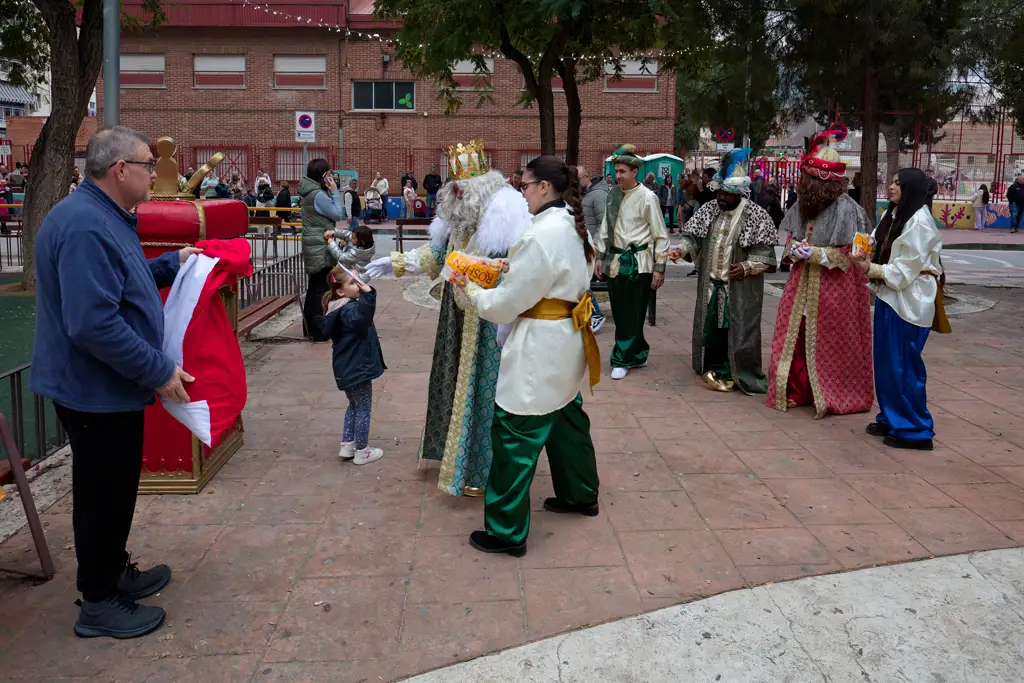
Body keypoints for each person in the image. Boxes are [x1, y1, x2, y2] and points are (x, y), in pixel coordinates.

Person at [30, 126, 200, 639]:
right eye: (149, 163)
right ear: (120, 169)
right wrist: (158, 370)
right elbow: (93, 323)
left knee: (115, 487)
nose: (156, 172)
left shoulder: (102, 215)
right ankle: (99, 599)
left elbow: (122, 279)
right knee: (103, 493)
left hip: (105, 389)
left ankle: (111, 571)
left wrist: (172, 264)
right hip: (92, 390)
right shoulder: (85, 225)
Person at [366, 140, 532, 497]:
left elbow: (515, 270)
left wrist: (481, 277)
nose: (457, 193)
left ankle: (482, 468)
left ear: (482, 189)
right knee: (453, 382)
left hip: (488, 318)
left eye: (463, 188)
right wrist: (396, 262)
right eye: (453, 187)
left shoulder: (507, 219)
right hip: (455, 314)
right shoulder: (457, 216)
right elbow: (437, 252)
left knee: (484, 391)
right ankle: (454, 456)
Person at [458, 155, 600, 557]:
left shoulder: (539, 235)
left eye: (524, 185)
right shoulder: (569, 225)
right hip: (567, 340)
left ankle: (506, 531)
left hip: (541, 345)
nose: (521, 193)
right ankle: (579, 494)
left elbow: (508, 303)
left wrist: (474, 291)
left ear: (542, 187)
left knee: (515, 434)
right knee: (566, 419)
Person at [766, 131, 874, 417]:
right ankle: (796, 389)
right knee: (796, 334)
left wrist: (818, 254)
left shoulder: (852, 211)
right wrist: (794, 250)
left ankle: (826, 392)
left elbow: (861, 255)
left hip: (836, 288)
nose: (811, 188)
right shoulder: (802, 205)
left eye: (816, 182)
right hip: (801, 283)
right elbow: (791, 241)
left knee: (830, 340)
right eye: (809, 181)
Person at [852, 168, 948, 450]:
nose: (892, 187)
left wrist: (870, 267)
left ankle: (915, 430)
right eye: (892, 182)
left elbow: (905, 271)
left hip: (910, 301)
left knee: (903, 364)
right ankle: (892, 416)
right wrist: (864, 247)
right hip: (890, 297)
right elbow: (875, 239)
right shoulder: (894, 213)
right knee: (886, 362)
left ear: (911, 188)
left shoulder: (919, 222)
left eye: (898, 183)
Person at [671, 148, 777, 393]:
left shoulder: (756, 216)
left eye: (727, 194)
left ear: (740, 194)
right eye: (719, 191)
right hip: (710, 284)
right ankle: (714, 368)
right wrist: (681, 249)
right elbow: (692, 237)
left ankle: (739, 372)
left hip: (739, 288)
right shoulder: (708, 210)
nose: (721, 197)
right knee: (713, 328)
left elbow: (766, 254)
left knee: (739, 329)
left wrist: (747, 266)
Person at [593, 145, 670, 380]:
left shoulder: (648, 197)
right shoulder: (613, 195)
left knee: (632, 313)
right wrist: (600, 255)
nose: (618, 176)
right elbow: (606, 227)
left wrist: (659, 268)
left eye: (623, 171)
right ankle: (637, 353)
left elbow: (660, 235)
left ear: (634, 171)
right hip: (616, 261)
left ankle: (621, 359)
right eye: (616, 171)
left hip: (639, 263)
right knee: (621, 312)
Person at [320, 266, 386, 465]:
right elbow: (361, 318)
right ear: (340, 291)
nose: (358, 285)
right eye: (352, 282)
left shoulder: (338, 306)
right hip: (357, 369)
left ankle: (347, 445)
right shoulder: (348, 308)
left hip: (346, 369)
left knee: (354, 405)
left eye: (358, 280)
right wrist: (368, 294)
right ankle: (362, 451)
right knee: (363, 408)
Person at [299, 158, 344, 341]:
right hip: (319, 245)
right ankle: (316, 331)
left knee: (315, 287)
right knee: (319, 289)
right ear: (323, 175)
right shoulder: (318, 195)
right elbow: (338, 214)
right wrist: (334, 192)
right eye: (329, 173)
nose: (332, 175)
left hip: (315, 244)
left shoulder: (312, 192)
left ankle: (310, 329)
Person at [578, 166, 608, 332]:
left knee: (581, 281)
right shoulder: (586, 195)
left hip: (592, 248)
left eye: (578, 179)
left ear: (586, 177)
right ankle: (591, 314)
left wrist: (594, 246)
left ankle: (595, 313)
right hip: (585, 246)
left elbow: (604, 223)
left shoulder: (598, 195)